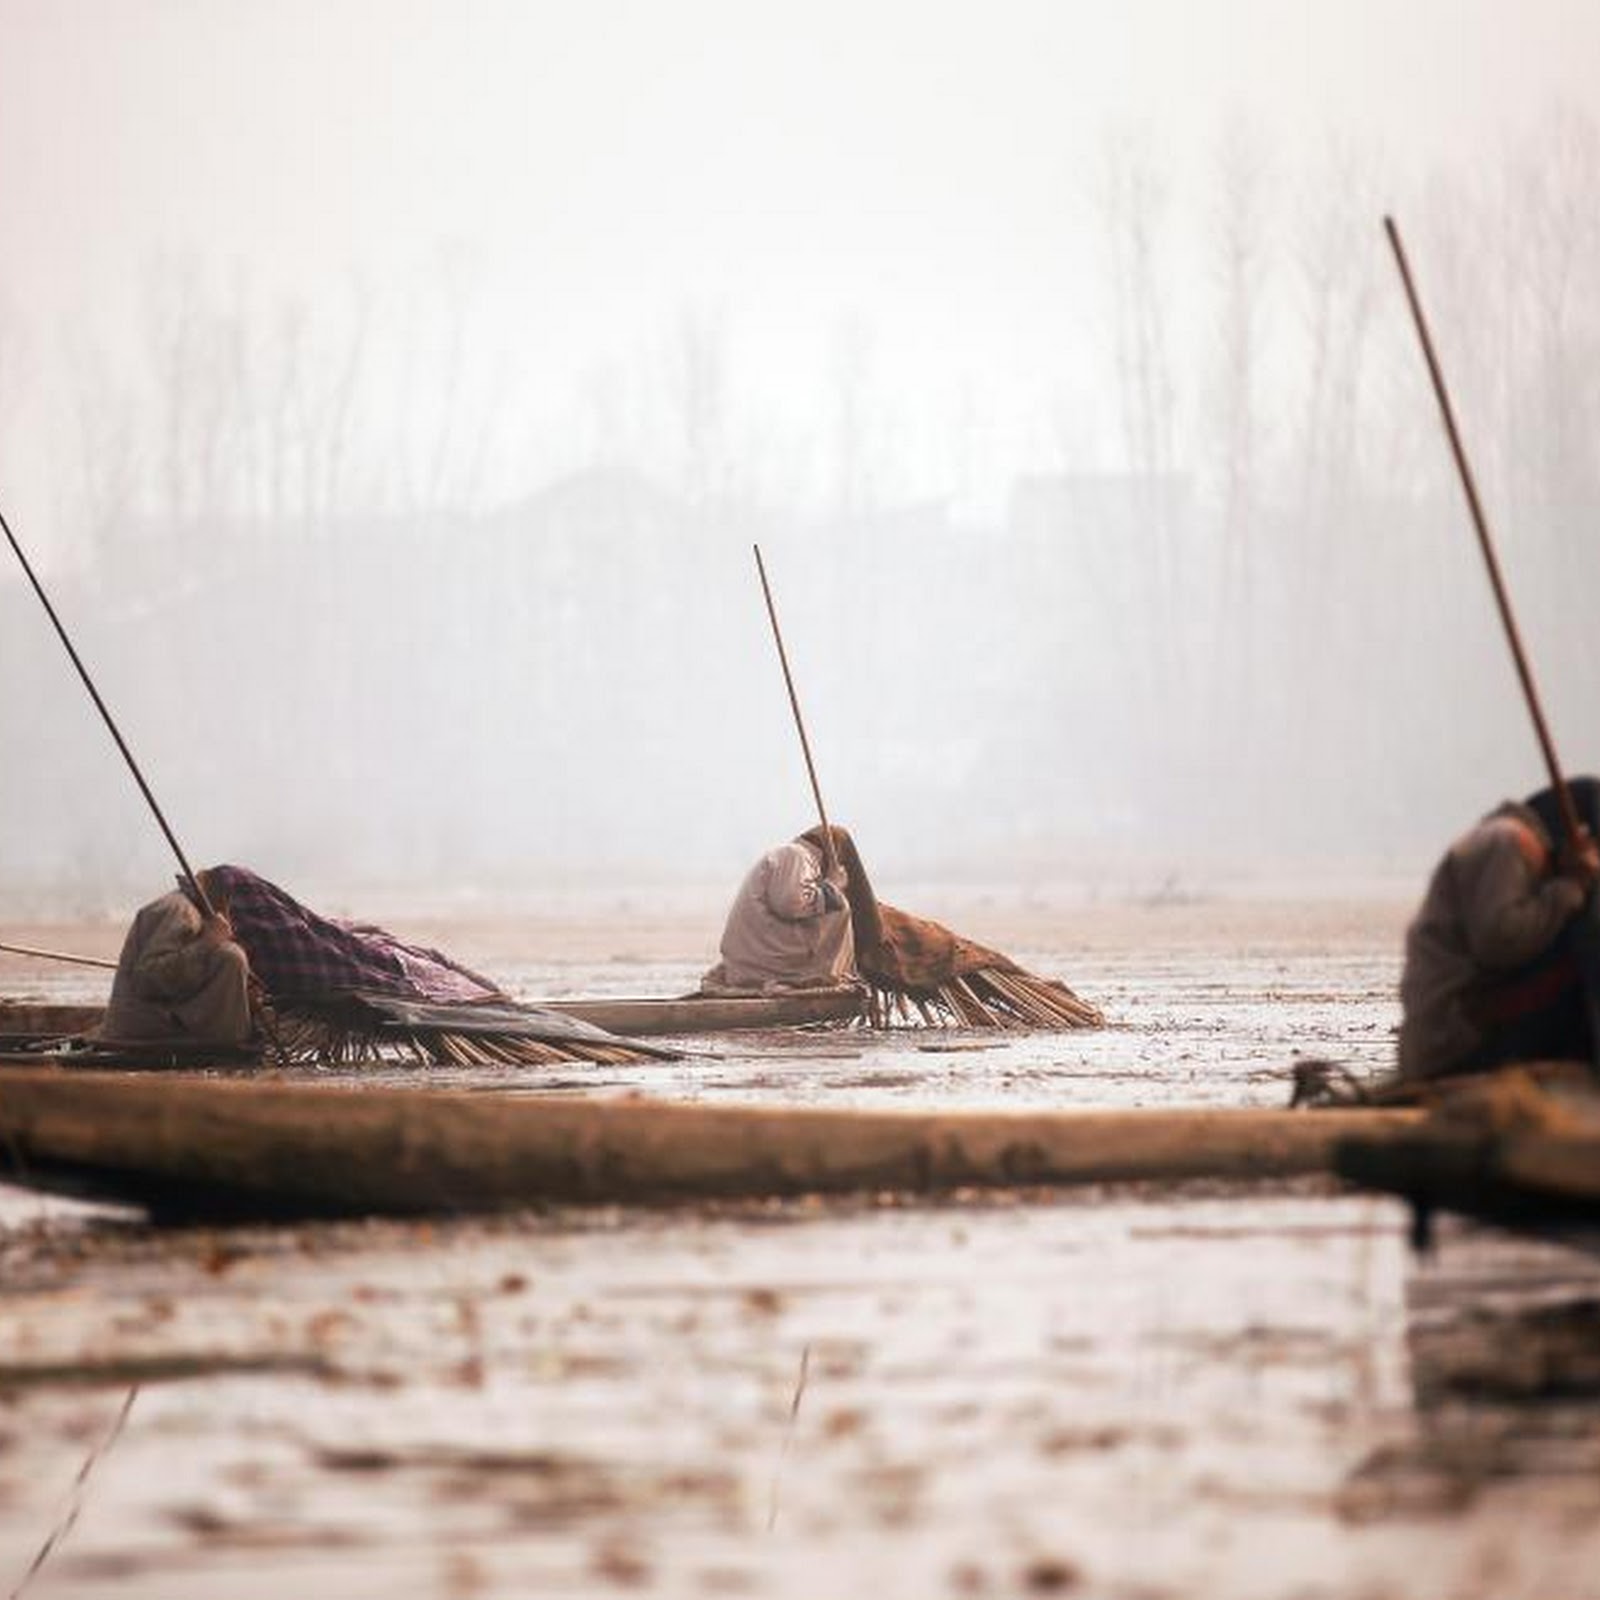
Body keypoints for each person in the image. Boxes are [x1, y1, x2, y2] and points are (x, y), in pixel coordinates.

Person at [1398, 777, 1600, 1080]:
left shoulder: (1514, 843)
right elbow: (1499, 940)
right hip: (1456, 1041)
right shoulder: (1508, 841)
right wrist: (1571, 887)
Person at [100, 868, 254, 1048]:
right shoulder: (180, 910)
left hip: (158, 1020)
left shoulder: (196, 912)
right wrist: (207, 942)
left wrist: (240, 994)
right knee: (231, 956)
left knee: (229, 954)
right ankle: (225, 1042)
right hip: (145, 1028)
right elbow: (148, 979)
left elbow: (188, 979)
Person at [701, 825, 858, 992]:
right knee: (839, 905)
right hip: (764, 966)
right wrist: (833, 886)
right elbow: (790, 903)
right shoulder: (797, 854)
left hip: (752, 964)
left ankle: (809, 972)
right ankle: (809, 974)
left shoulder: (793, 857)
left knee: (834, 900)